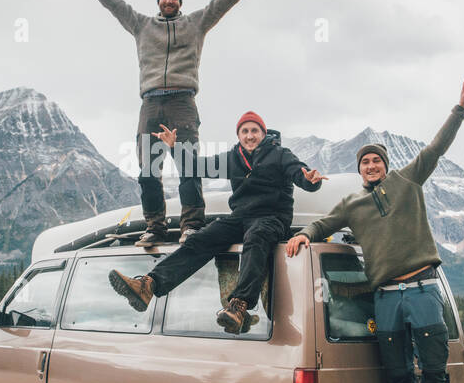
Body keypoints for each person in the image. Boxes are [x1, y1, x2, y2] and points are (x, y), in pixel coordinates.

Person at [286, 77, 464, 383]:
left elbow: (437, 147)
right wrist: (304, 235)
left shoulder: (408, 180)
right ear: (359, 170)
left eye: (375, 160)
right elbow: (323, 224)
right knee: (396, 374)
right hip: (386, 297)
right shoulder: (352, 203)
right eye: (364, 162)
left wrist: (460, 108)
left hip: (424, 289)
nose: (370, 165)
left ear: (385, 165)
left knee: (433, 373)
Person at [69, 0, 276, 245]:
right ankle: (155, 226)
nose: (169, 0)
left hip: (182, 102)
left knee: (188, 166)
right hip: (150, 104)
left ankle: (191, 225)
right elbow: (112, 3)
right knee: (148, 171)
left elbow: (225, 0)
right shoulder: (141, 25)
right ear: (159, 3)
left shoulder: (195, 24)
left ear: (179, 3)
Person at [110, 111, 326, 333]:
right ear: (239, 135)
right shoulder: (233, 157)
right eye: (245, 131)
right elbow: (196, 167)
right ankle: (149, 285)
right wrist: (174, 147)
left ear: (263, 133)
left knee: (257, 237)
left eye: (254, 130)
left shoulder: (280, 154)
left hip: (272, 217)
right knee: (201, 238)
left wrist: (310, 180)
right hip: (240, 217)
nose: (250, 136)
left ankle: (239, 305)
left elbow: (300, 174)